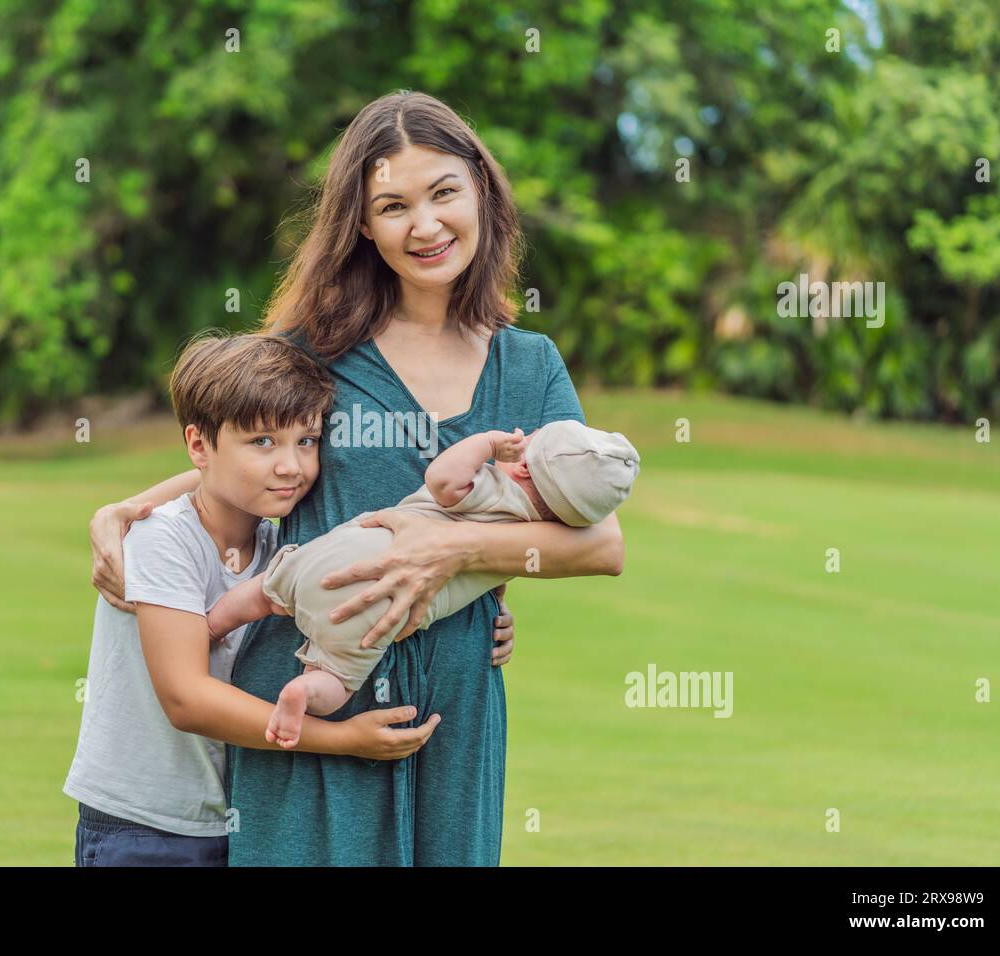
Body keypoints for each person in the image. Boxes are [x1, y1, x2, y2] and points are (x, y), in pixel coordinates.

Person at [89, 90, 624, 866]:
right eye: (393, 206)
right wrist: (125, 510)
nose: (426, 225)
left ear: (481, 187)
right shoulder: (315, 348)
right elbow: (244, 459)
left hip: (457, 710)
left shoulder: (530, 367)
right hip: (310, 687)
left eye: (443, 192)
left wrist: (451, 555)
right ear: (364, 225)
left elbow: (600, 543)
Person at [64, 332, 438, 866]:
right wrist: (342, 739)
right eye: (262, 442)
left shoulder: (277, 548)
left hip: (239, 817)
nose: (291, 465)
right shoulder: (163, 539)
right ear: (198, 445)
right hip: (144, 826)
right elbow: (185, 699)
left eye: (306, 441)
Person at [206, 421, 641, 748]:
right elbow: (499, 576)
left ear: (523, 466)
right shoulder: (524, 533)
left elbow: (442, 479)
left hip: (334, 554)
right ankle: (302, 691)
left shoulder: (490, 486)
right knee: (333, 679)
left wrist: (487, 444)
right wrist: (499, 610)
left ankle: (209, 626)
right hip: (371, 610)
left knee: (263, 594)